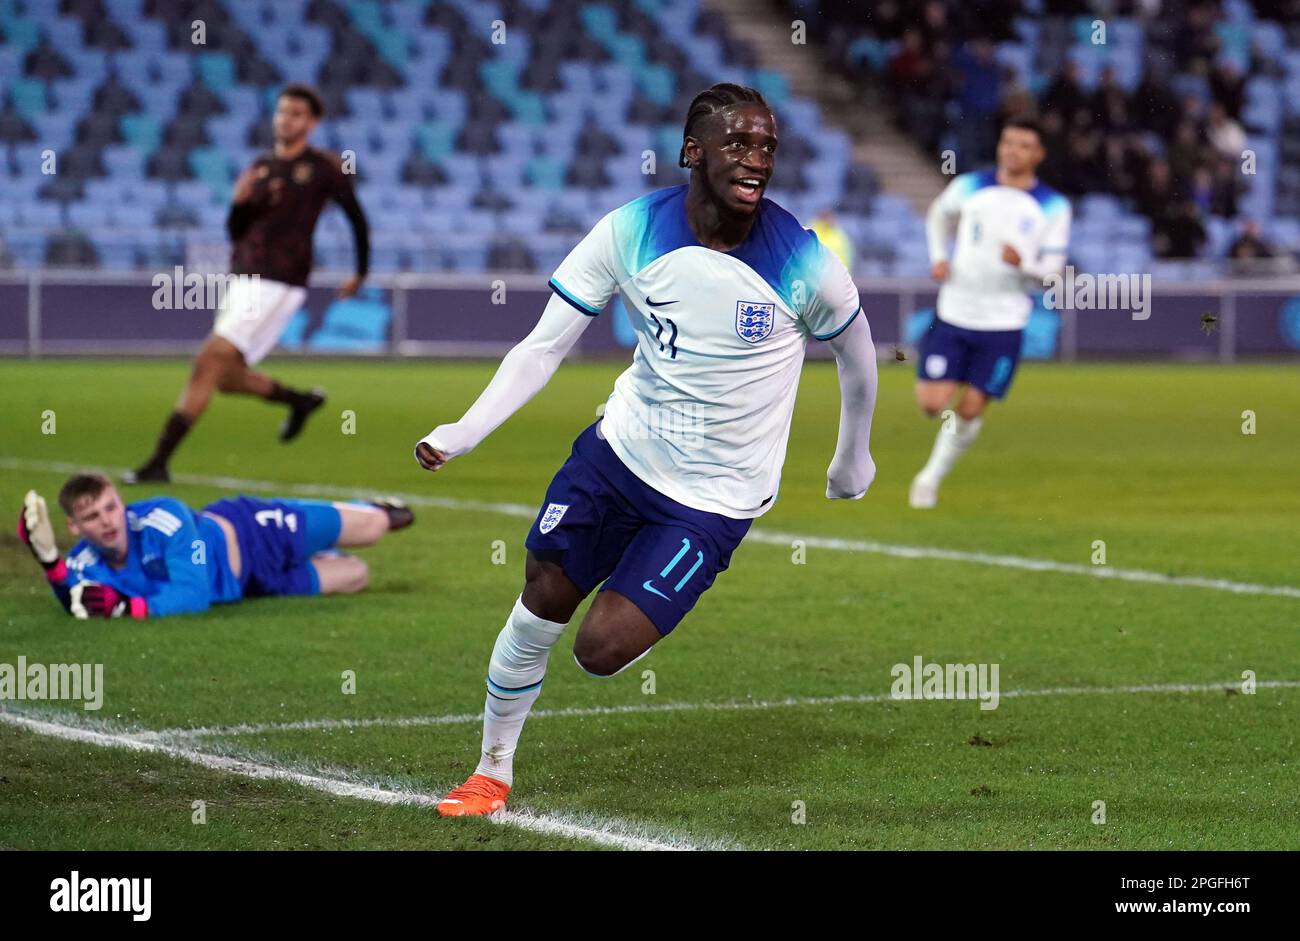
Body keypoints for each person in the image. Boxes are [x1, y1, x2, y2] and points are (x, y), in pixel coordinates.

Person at [413, 83, 879, 816]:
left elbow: (858, 356)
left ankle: (651, 596)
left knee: (599, 649)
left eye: (767, 147)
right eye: (739, 144)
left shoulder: (803, 260)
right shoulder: (628, 229)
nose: (757, 159)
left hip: (715, 497)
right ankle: (490, 771)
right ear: (693, 152)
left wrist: (853, 458)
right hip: (620, 453)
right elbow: (542, 348)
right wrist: (463, 431)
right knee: (540, 599)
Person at [124, 84, 370, 484]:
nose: (285, 120)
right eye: (282, 112)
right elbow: (237, 231)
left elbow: (356, 218)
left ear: (311, 122)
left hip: (279, 280)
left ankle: (158, 462)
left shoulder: (324, 168)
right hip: (245, 277)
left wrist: (360, 271)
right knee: (226, 376)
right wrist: (239, 203)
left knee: (208, 361)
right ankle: (300, 401)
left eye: (295, 114)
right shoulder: (260, 168)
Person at [910, 119, 1071, 509]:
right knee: (932, 404)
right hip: (955, 313)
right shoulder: (969, 185)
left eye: (1023, 145)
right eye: (1008, 142)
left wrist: (1025, 264)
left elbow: (1052, 273)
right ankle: (940, 448)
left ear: (1038, 155)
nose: (1012, 150)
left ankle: (929, 478)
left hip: (1004, 323)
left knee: (969, 408)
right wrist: (938, 257)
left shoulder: (1053, 205)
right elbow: (937, 215)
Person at [18, 473, 411, 620]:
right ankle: (325, 552)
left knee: (376, 527)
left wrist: (129, 608)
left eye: (111, 508)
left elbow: (193, 593)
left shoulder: (164, 517)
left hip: (254, 532)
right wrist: (50, 562)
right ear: (73, 526)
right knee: (357, 575)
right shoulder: (83, 561)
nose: (107, 521)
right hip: (249, 586)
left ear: (123, 503)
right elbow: (75, 597)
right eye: (92, 517)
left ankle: (373, 508)